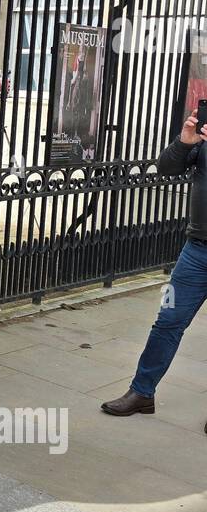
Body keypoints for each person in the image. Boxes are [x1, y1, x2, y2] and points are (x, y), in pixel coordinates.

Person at [101, 109, 207, 422]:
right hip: (196, 252)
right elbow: (167, 168)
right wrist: (185, 142)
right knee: (168, 320)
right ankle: (142, 391)